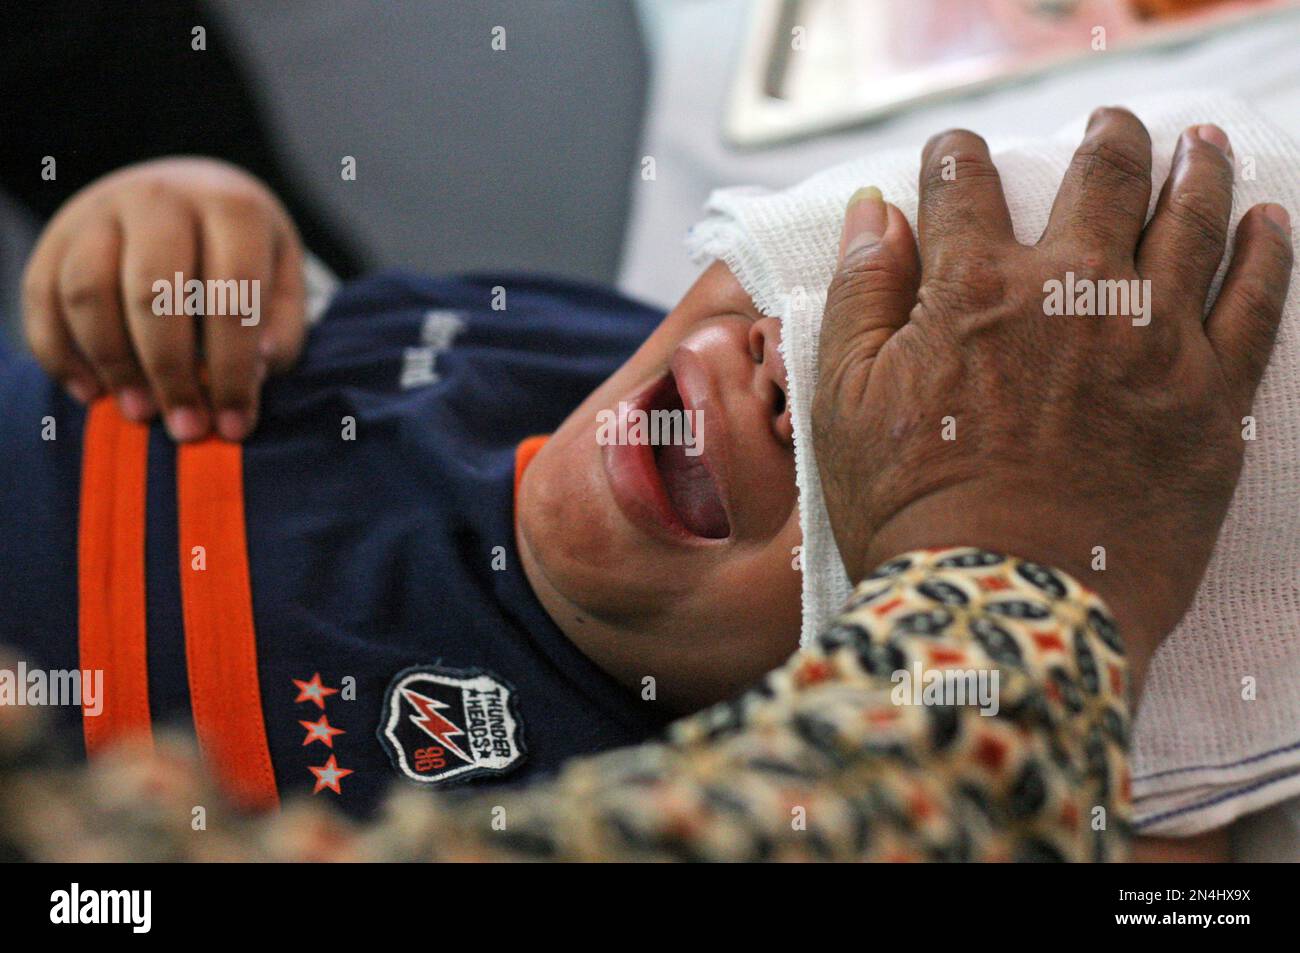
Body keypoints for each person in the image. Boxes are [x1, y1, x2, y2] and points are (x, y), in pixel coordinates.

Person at [1, 109, 1292, 861]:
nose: (785, 356)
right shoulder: (564, 349)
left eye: (887, 435)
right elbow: (317, 336)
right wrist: (178, 218)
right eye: (807, 284)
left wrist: (1142, 776)